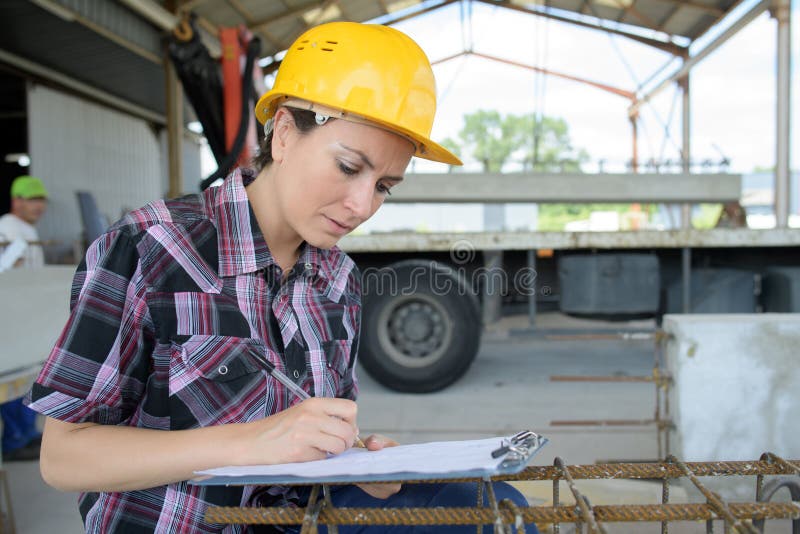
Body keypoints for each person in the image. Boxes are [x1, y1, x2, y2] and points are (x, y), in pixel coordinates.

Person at [26, 22, 538, 533]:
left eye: (384, 185)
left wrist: (360, 461)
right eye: (347, 167)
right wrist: (250, 442)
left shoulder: (337, 278)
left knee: (495, 510)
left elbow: (310, 432)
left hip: (300, 519)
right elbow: (64, 457)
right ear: (287, 133)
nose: (362, 206)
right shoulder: (149, 249)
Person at [0, 175, 49, 462]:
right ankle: (16, 439)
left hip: (27, 318)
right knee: (15, 377)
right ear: (16, 200)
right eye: (31, 199)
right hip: (13, 319)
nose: (38, 206)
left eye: (40, 200)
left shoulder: (26, 230)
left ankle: (26, 434)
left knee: (28, 376)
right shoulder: (7, 227)